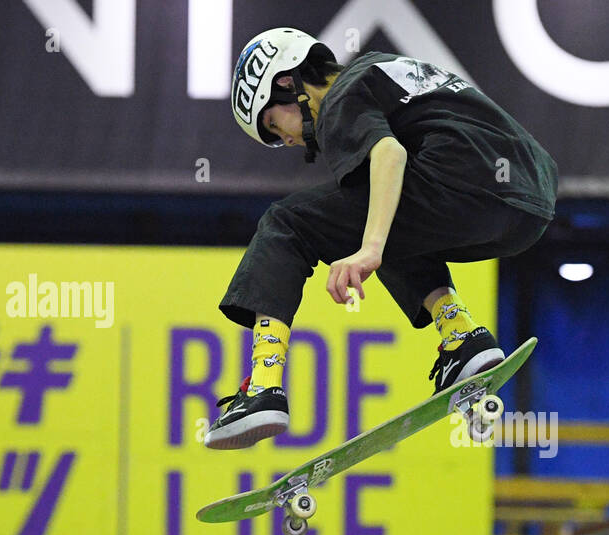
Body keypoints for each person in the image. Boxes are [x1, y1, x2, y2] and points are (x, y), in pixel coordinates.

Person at [207, 27, 558, 449]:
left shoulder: (340, 96)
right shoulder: (382, 68)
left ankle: (263, 386)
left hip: (465, 181)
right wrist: (372, 241)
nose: (286, 139)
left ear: (287, 82)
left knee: (288, 222)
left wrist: (369, 252)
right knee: (379, 209)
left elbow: (389, 155)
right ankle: (462, 336)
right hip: (530, 201)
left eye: (273, 123)